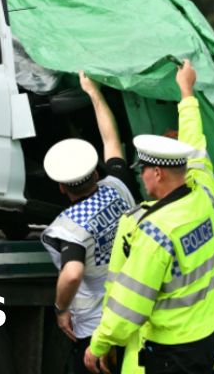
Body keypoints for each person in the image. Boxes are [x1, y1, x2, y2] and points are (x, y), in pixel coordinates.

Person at [85, 60, 214, 374]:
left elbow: (129, 304)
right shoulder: (206, 191)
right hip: (207, 338)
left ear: (157, 173)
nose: (140, 176)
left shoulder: (155, 233)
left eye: (143, 169)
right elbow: (194, 141)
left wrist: (100, 344)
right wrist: (186, 91)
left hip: (169, 352)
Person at [41, 71, 140, 374]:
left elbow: (72, 274)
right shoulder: (118, 186)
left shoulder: (69, 227)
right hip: (133, 311)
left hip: (97, 328)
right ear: (96, 173)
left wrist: (60, 310)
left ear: (61, 188)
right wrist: (93, 93)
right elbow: (111, 140)